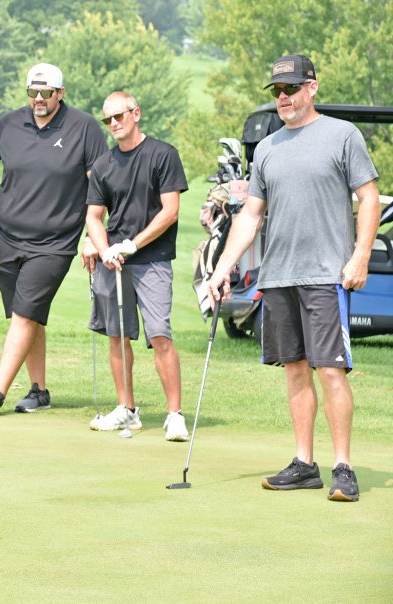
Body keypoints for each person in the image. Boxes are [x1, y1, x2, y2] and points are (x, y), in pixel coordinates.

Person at [206, 54, 379, 502]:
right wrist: (222, 269)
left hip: (326, 273)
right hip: (279, 275)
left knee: (331, 370)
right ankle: (304, 463)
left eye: (292, 89)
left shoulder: (342, 135)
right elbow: (251, 217)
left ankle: (343, 466)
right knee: (295, 371)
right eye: (278, 92)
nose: (284, 98)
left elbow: (369, 197)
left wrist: (360, 255)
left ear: (312, 88)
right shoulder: (267, 149)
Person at [0, 63, 107, 416]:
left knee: (24, 315)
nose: (39, 100)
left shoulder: (83, 128)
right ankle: (38, 391)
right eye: (33, 92)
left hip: (54, 243)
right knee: (27, 316)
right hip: (9, 238)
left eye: (46, 93)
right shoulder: (10, 124)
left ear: (60, 93)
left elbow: (101, 186)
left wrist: (94, 236)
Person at [81, 92, 189, 441]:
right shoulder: (103, 165)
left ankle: (174, 414)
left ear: (136, 114)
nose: (114, 123)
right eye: (108, 119)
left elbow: (170, 211)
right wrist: (103, 248)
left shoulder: (162, 155)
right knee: (117, 337)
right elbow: (94, 216)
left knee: (160, 335)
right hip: (115, 264)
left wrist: (133, 244)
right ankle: (126, 409)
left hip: (152, 260)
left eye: (120, 116)